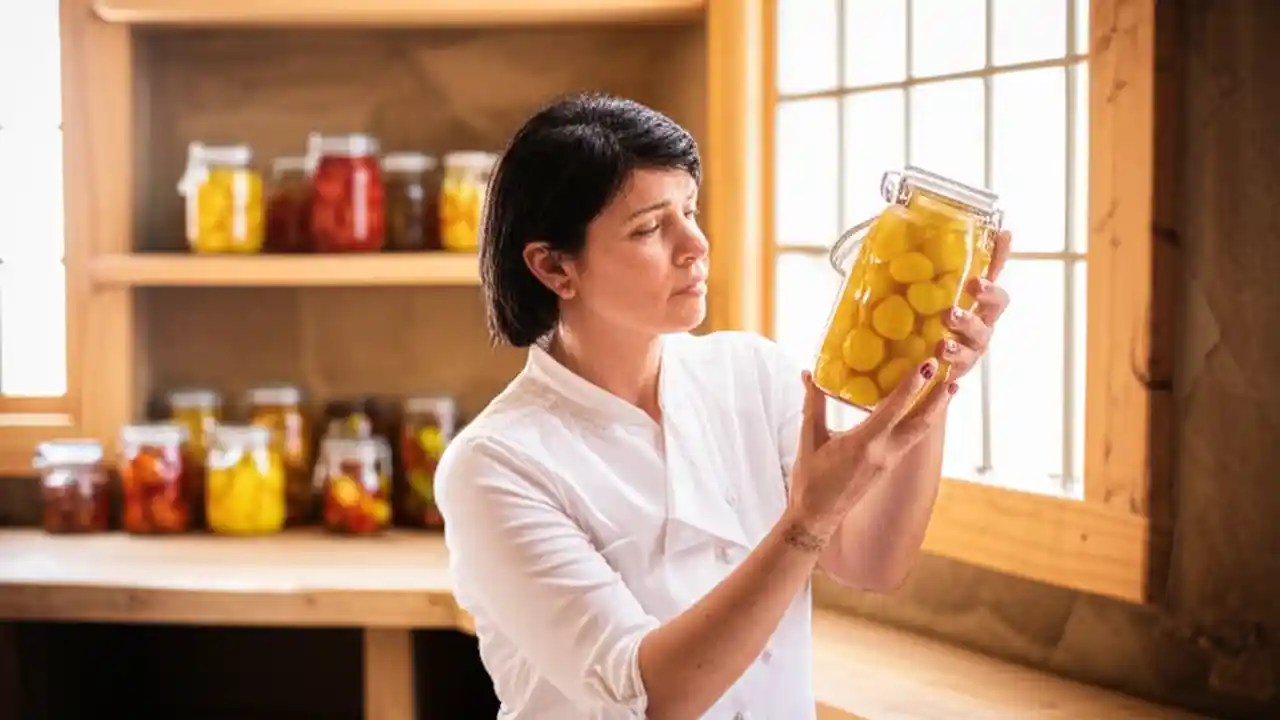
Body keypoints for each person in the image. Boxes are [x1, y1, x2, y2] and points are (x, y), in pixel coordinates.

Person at [436, 93, 1012, 720]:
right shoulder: (494, 464)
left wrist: (932, 373)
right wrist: (804, 525)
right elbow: (652, 697)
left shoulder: (750, 374)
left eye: (690, 210)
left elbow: (872, 563)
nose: (696, 244)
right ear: (554, 267)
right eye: (651, 227)